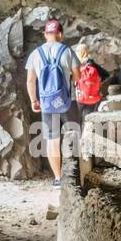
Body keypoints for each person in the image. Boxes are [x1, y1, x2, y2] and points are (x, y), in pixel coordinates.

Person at [26, 18, 80, 186]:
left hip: (47, 103)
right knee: (75, 133)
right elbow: (77, 75)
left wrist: (34, 100)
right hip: (65, 100)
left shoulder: (35, 54)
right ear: (60, 34)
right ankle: (76, 172)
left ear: (45, 34)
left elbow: (30, 81)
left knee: (52, 140)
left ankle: (58, 178)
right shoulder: (67, 51)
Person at [71, 43, 110, 142]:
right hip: (93, 97)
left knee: (79, 119)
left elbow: (71, 79)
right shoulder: (92, 64)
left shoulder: (76, 64)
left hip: (80, 97)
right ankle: (90, 140)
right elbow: (106, 75)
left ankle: (79, 140)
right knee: (89, 120)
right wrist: (97, 83)